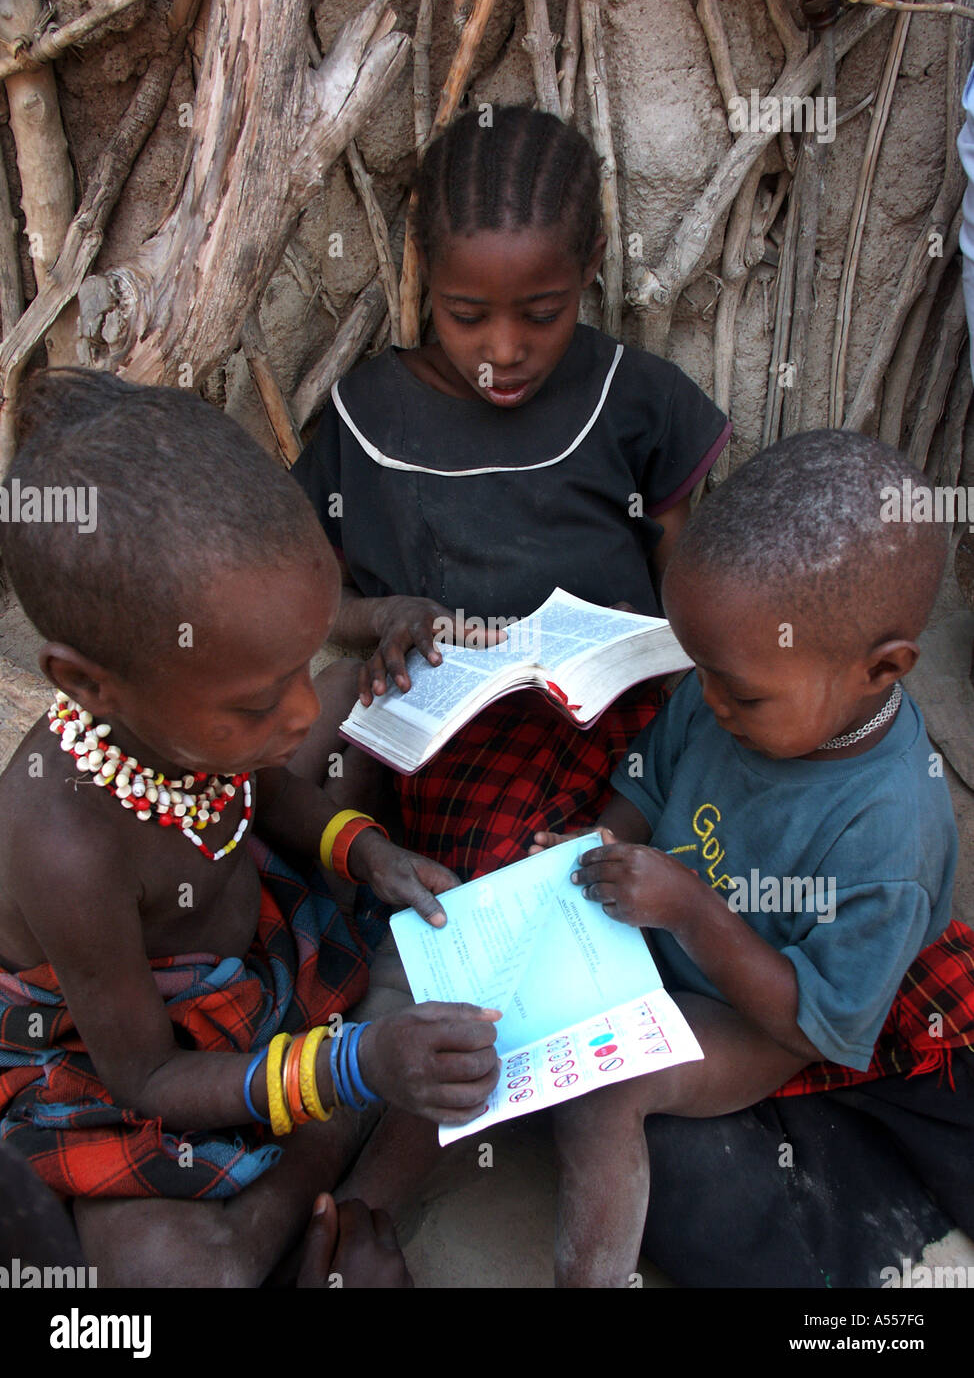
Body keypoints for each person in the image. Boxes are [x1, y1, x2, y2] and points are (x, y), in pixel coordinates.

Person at [0, 369, 501, 1288]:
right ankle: (322, 1169)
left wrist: (369, 851)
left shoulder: (198, 719)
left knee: (358, 704)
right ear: (87, 687)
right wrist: (354, 1066)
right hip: (146, 1058)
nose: (298, 711)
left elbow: (265, 790)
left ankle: (323, 1135)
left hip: (257, 951)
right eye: (256, 700)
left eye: (301, 665)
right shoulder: (63, 846)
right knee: (173, 1274)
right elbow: (145, 1081)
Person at [531, 429, 974, 1287]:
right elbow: (647, 783)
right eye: (702, 671)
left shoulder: (888, 827)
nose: (711, 700)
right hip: (662, 942)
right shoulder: (724, 689)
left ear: (880, 671)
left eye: (741, 690)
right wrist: (602, 847)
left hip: (773, 1017)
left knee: (607, 1090)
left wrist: (689, 907)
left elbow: (819, 1022)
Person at [291, 105, 730, 881]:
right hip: (460, 731)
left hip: (625, 720)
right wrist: (387, 614)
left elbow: (687, 593)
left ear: (590, 261)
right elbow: (312, 601)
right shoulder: (367, 418)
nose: (504, 350)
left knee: (715, 829)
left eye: (542, 313)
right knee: (517, 872)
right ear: (426, 268)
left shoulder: (632, 399)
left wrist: (646, 633)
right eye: (467, 316)